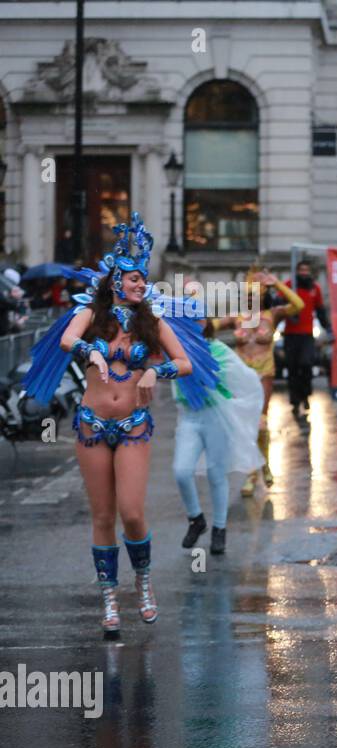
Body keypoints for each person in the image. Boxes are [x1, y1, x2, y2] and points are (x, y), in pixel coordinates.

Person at [23, 212, 220, 638]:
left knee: (131, 513)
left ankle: (143, 583)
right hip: (92, 425)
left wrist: (155, 372)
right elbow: (65, 340)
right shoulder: (90, 316)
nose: (140, 284)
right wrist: (90, 352)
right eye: (133, 279)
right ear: (115, 280)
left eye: (142, 279)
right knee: (102, 516)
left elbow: (183, 361)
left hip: (133, 424)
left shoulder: (152, 321)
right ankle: (109, 598)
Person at [173, 295, 265, 555]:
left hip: (217, 417)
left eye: (200, 317)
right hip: (189, 419)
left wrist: (243, 405)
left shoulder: (218, 350)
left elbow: (245, 378)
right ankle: (196, 519)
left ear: (207, 321)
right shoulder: (175, 348)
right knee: (181, 471)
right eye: (189, 318)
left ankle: (220, 529)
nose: (196, 322)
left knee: (216, 474)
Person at [211, 268, 302, 496]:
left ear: (263, 295)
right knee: (243, 426)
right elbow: (208, 327)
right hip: (241, 377)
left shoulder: (274, 314)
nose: (252, 298)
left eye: (256, 293)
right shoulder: (236, 318)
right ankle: (255, 471)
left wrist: (278, 283)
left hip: (263, 375)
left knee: (260, 423)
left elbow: (298, 305)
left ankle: (262, 466)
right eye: (248, 294)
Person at [283, 259, 329, 421]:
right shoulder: (289, 286)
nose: (303, 273)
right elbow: (278, 305)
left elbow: (321, 311)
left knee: (306, 365)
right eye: (301, 270)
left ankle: (305, 395)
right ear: (296, 272)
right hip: (290, 334)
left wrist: (329, 329)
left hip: (307, 335)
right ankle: (295, 401)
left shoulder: (314, 289)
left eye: (306, 270)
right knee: (292, 368)